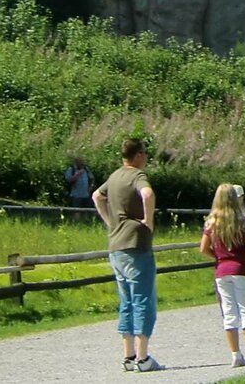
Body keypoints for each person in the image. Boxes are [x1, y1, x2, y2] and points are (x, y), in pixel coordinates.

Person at [93, 137, 160, 373]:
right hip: (136, 243)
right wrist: (148, 221)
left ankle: (128, 355)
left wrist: (110, 222)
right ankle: (143, 358)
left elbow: (97, 196)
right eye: (145, 152)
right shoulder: (137, 176)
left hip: (116, 245)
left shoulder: (114, 176)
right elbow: (148, 195)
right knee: (143, 299)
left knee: (126, 301)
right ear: (138, 155)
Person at [199, 183, 245, 367]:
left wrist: (219, 256)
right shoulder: (241, 220)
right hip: (240, 269)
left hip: (221, 270)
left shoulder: (211, 221)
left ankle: (235, 355)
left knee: (229, 313)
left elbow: (203, 248)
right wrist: (241, 256)